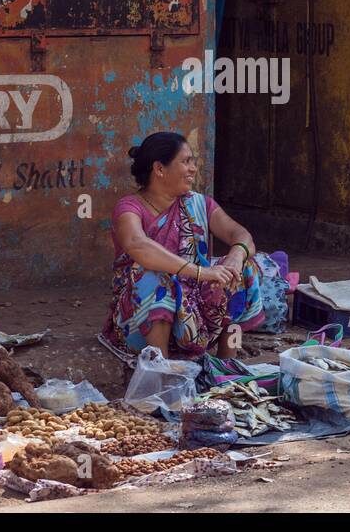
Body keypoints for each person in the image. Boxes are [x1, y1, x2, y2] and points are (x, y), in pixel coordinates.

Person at [101, 131, 266, 360]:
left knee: (243, 269)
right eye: (186, 161)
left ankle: (226, 365)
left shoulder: (199, 204)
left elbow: (240, 234)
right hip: (139, 320)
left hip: (195, 314)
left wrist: (235, 257)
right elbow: (138, 245)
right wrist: (200, 272)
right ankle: (161, 369)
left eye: (193, 162)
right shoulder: (129, 207)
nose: (193, 169)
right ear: (159, 169)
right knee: (152, 275)